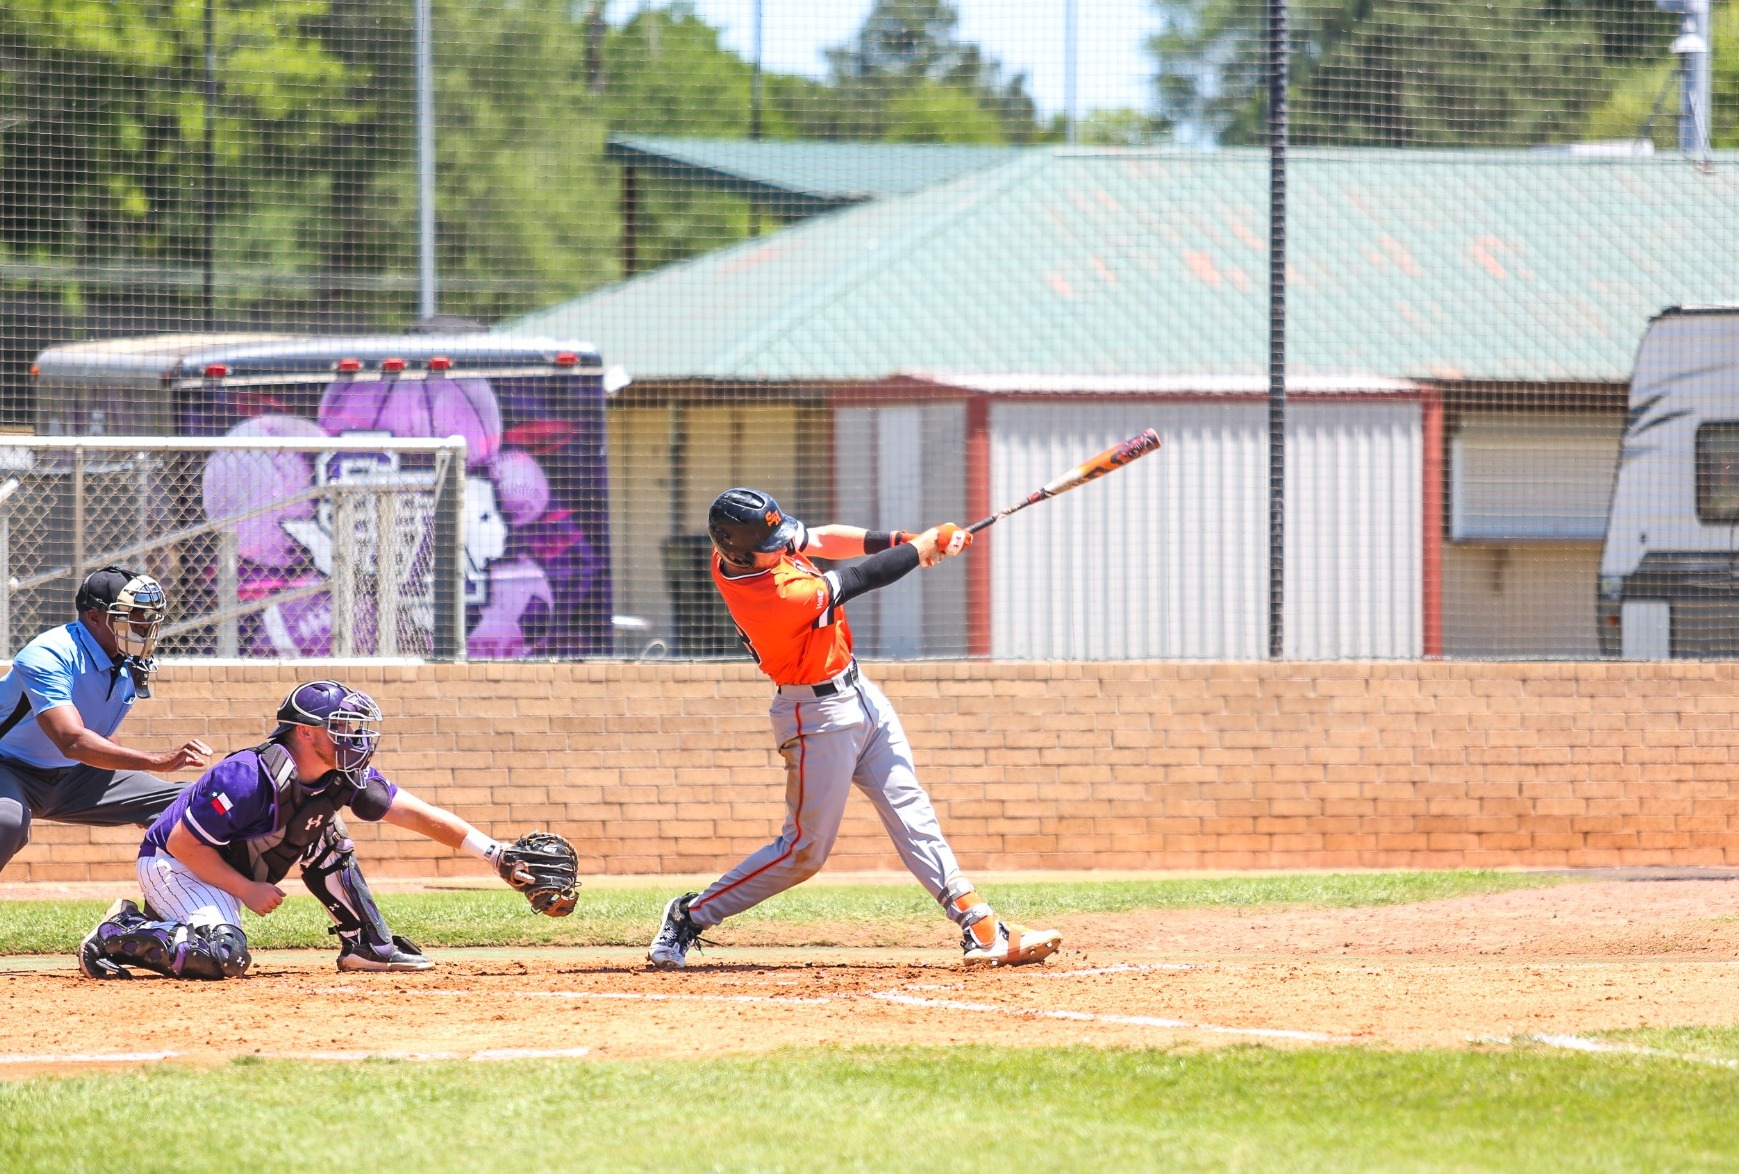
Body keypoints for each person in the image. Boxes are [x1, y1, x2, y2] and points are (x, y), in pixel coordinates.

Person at [647, 488, 1062, 970]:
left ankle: (980, 926)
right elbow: (862, 577)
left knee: (912, 811)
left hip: (860, 692)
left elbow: (823, 538)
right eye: (771, 545)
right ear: (738, 552)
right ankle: (691, 914)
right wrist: (921, 548)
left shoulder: (750, 550)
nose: (783, 547)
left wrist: (906, 539)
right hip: (816, 717)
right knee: (804, 852)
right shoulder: (777, 596)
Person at [0, 566, 428, 972]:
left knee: (186, 808)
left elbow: (85, 744)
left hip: (75, 775)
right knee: (8, 821)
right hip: (11, 767)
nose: (146, 627)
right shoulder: (49, 654)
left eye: (149, 617)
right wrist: (156, 761)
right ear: (95, 617)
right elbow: (72, 739)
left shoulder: (127, 660)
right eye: (132, 617)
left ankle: (159, 926)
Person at [79, 678, 556, 979]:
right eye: (342, 727)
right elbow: (184, 844)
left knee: (325, 828)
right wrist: (246, 890)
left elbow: (415, 813)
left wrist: (495, 854)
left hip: (229, 863)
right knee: (223, 955)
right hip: (176, 865)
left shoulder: (341, 775)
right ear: (305, 732)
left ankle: (366, 945)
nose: (356, 736)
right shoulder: (247, 776)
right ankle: (120, 931)